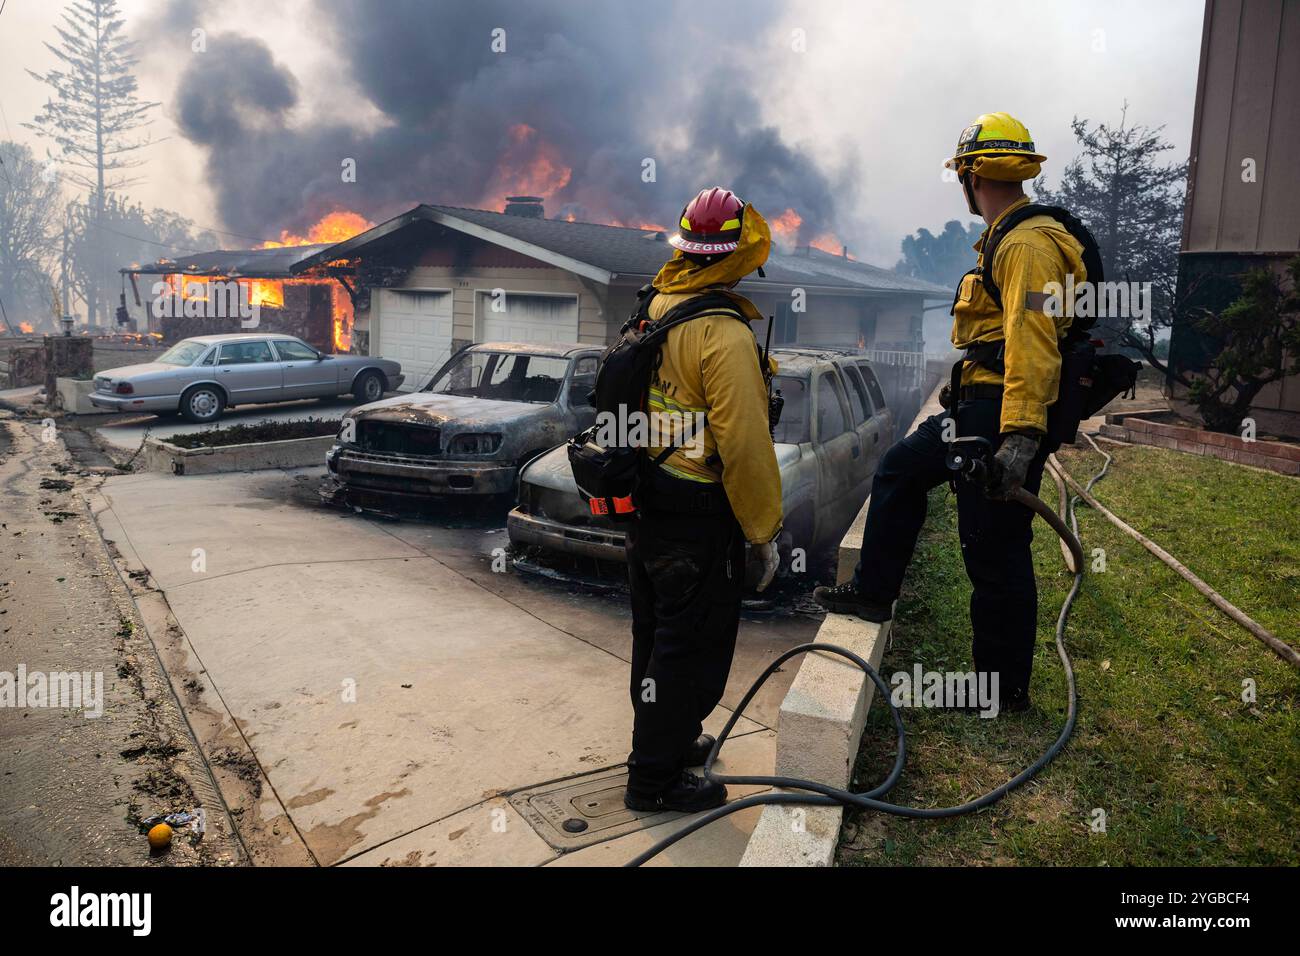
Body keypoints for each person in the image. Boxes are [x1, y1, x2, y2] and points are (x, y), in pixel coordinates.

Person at [813, 113, 1087, 714]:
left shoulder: (1024, 245)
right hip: (981, 407)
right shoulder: (1011, 237)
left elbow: (1032, 340)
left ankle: (1002, 691)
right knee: (901, 471)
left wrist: (1017, 438)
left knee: (993, 550)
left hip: (999, 418)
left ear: (971, 175)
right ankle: (874, 592)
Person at [623, 186, 783, 812]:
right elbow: (743, 445)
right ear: (740, 254)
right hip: (695, 514)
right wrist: (763, 531)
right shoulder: (722, 333)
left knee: (655, 637)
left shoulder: (656, 303)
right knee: (690, 646)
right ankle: (654, 782)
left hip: (647, 500)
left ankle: (672, 739)